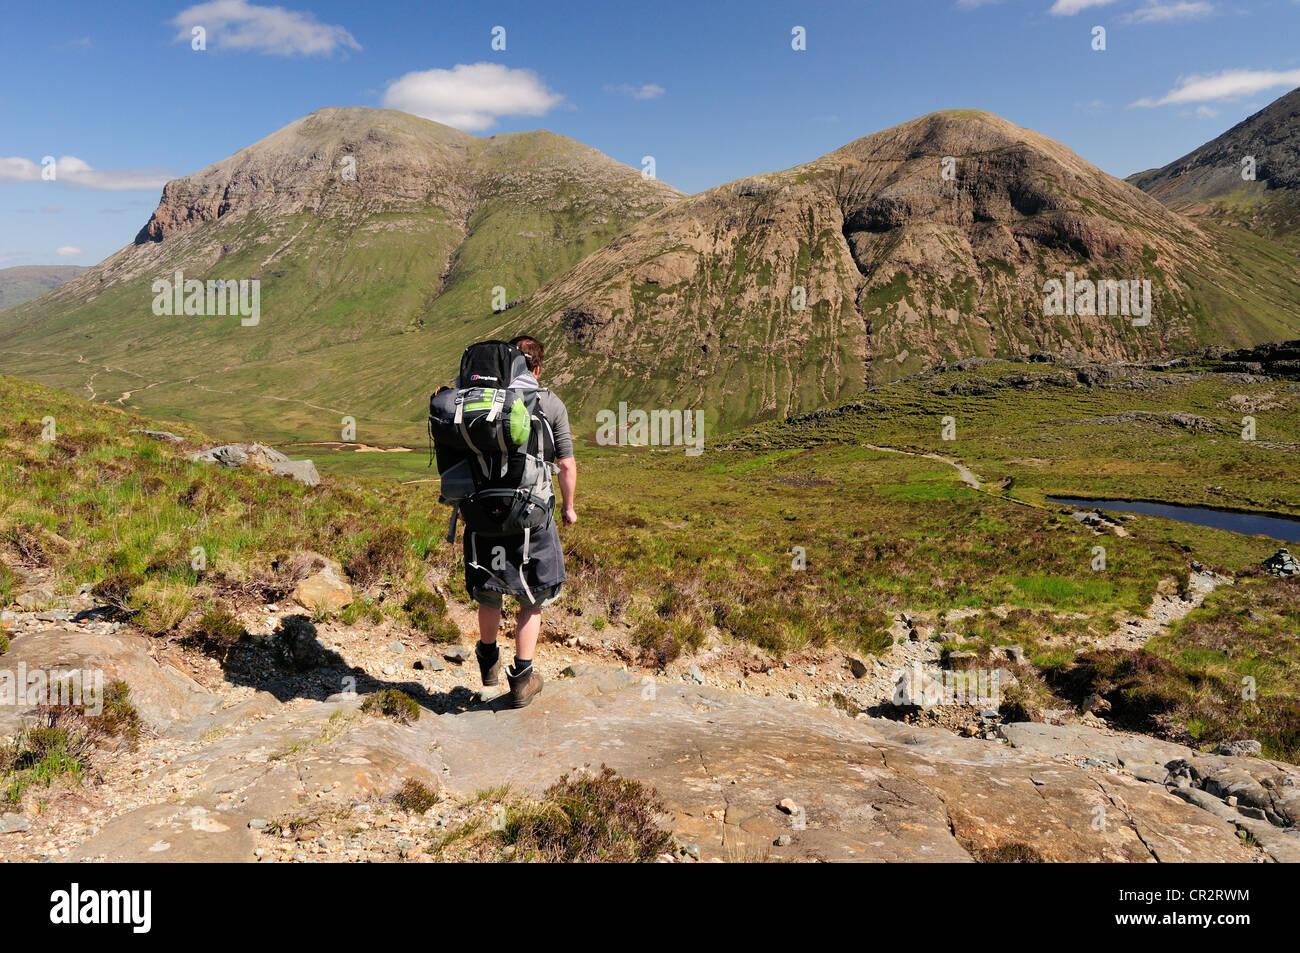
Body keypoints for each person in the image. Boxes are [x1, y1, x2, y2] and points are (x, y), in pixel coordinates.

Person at [470, 335, 577, 708]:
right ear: (537, 367)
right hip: (532, 516)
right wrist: (569, 507)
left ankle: (487, 666)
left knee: (489, 587)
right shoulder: (547, 402)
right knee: (533, 597)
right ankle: (523, 679)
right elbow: (565, 463)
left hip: (483, 512)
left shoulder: (478, 401)